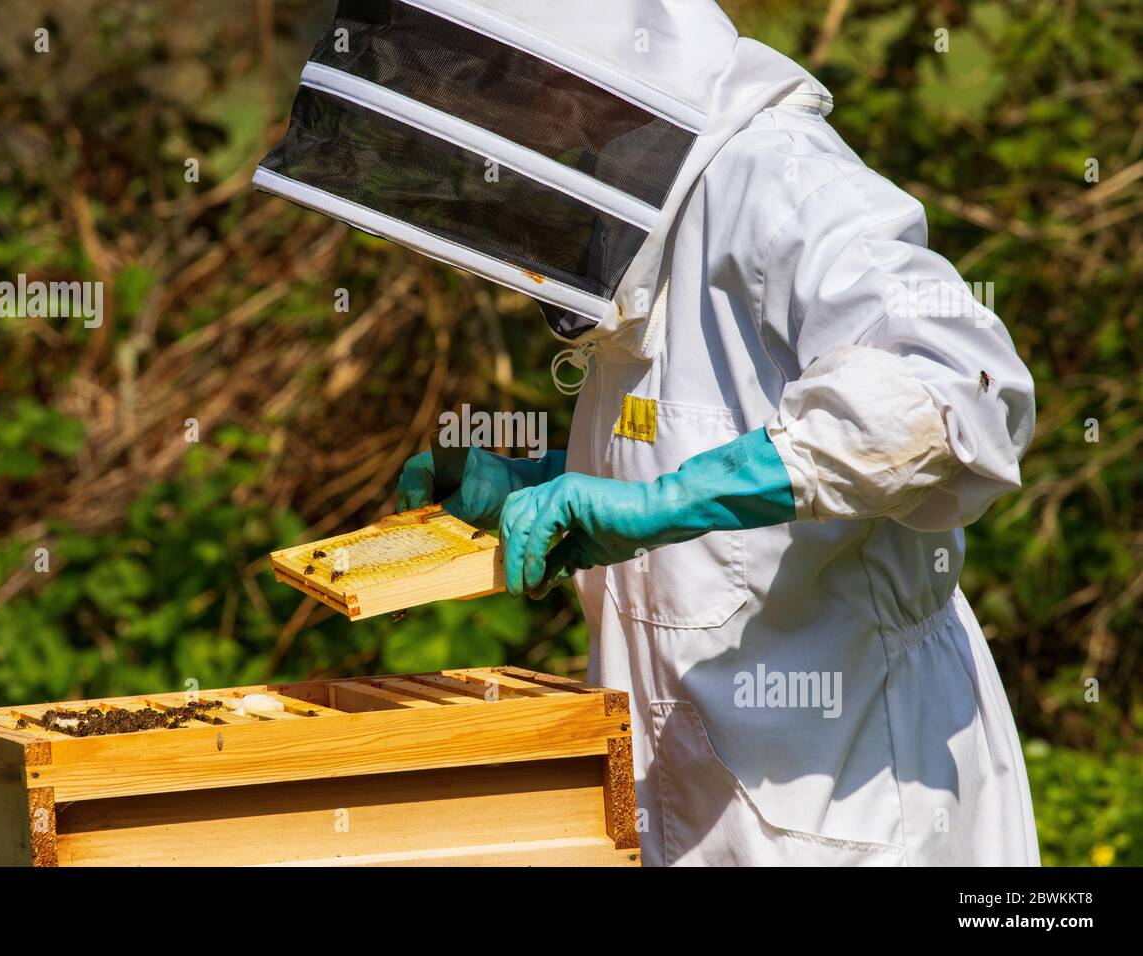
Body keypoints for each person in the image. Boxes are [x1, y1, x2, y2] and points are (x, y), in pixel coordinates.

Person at [255, 0, 1039, 865]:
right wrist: (539, 481)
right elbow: (710, 429)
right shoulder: (637, 193)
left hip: (850, 788)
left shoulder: (779, 177)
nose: (500, 112)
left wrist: (668, 503)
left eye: (498, 78)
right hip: (689, 792)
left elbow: (955, 393)